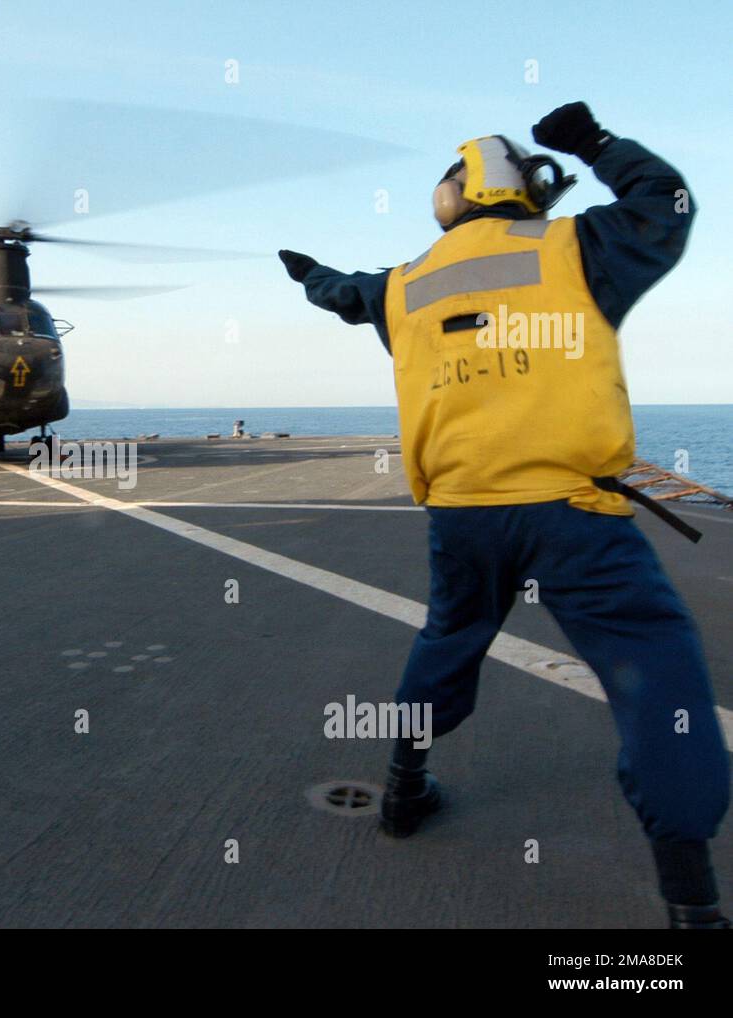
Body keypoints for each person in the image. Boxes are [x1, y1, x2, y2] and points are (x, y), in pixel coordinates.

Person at [280, 102, 730, 929]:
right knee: (656, 673)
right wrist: (596, 145)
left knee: (447, 641)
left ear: (458, 191)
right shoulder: (577, 247)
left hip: (464, 515)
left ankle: (404, 789)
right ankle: (693, 902)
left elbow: (344, 295)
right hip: (577, 517)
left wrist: (309, 275)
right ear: (527, 185)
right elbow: (668, 203)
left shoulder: (404, 285)